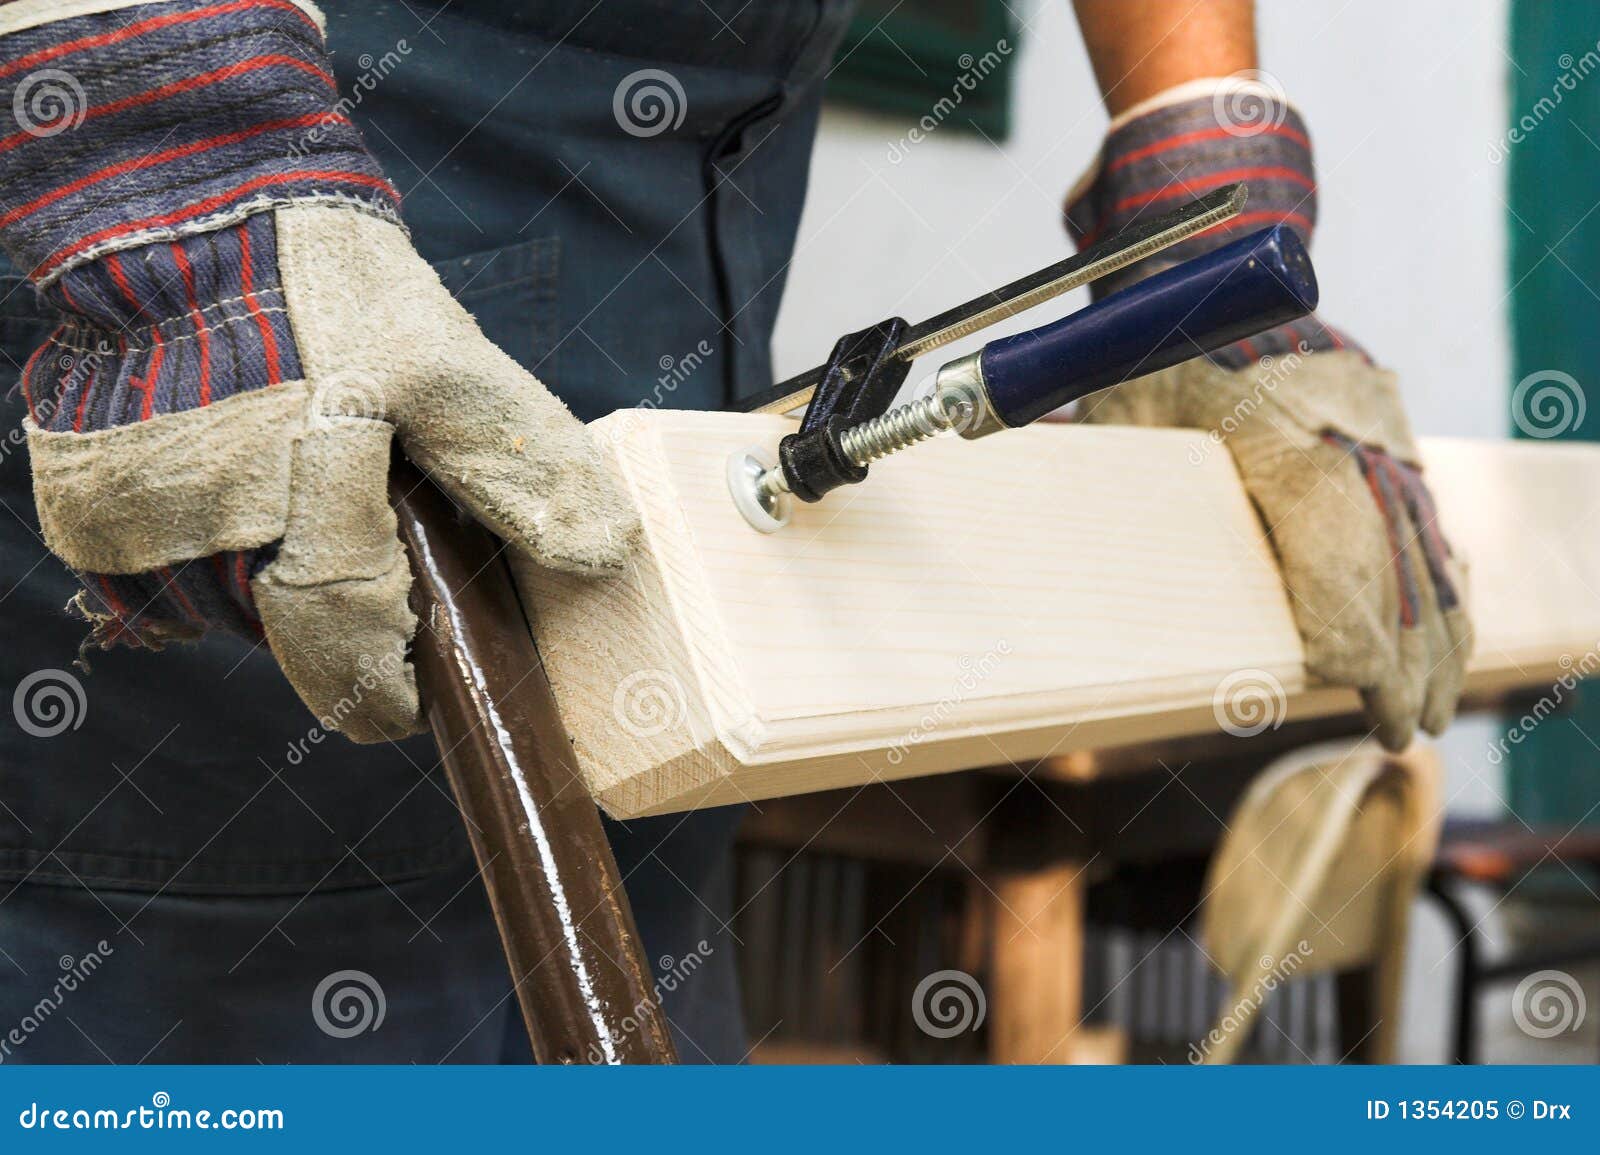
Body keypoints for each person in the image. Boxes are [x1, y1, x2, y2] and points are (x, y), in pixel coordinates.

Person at [0, 0, 1468, 1064]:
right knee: (242, 949)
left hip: (688, 215)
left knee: (627, 924)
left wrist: (1200, 181)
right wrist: (165, 141)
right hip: (281, 153)